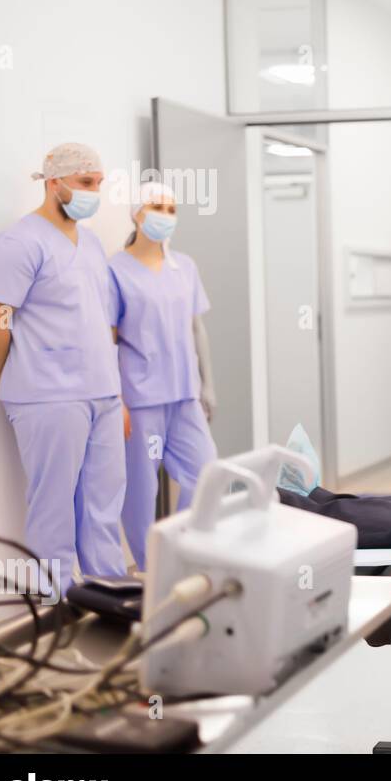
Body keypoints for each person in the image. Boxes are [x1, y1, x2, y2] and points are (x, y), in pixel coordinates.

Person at [0, 143, 127, 594]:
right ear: (53, 182)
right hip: (48, 399)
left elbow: (97, 318)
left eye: (98, 183)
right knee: (53, 511)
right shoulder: (19, 245)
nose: (93, 193)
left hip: (102, 393)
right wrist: (21, 378)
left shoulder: (92, 243)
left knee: (103, 509)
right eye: (84, 183)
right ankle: (53, 612)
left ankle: (107, 600)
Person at [109, 182, 217, 569]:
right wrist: (115, 399)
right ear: (137, 214)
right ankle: (151, 568)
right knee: (141, 490)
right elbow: (108, 340)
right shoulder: (114, 270)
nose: (165, 216)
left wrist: (208, 384)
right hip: (140, 398)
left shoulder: (184, 266)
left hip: (184, 394)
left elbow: (196, 327)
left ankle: (185, 556)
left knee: (206, 475)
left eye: (171, 209)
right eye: (157, 207)